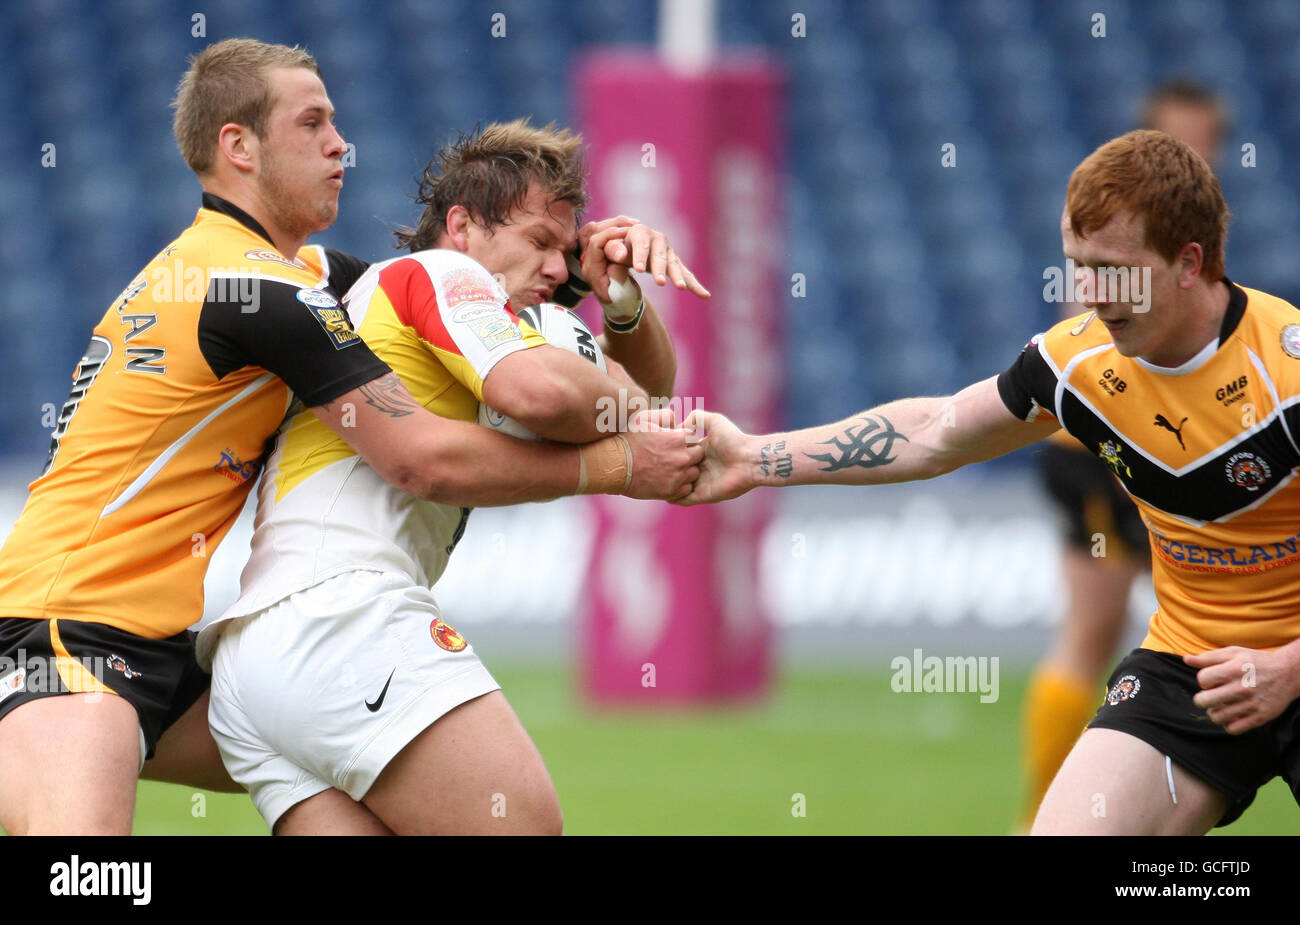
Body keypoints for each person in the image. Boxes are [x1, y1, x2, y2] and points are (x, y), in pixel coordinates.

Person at [0, 39, 700, 835]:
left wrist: (598, 279)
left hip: (169, 648)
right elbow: (418, 456)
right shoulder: (261, 294)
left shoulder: (266, 273)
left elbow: (443, 287)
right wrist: (618, 465)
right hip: (68, 633)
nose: (341, 144)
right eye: (313, 123)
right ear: (238, 147)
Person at [682, 129, 1300, 835]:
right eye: (1077, 267)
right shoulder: (1076, 366)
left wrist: (1286, 667)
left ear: (1189, 262)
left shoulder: (1287, 374)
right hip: (1192, 665)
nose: (1091, 296)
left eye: (1114, 271)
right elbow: (937, 431)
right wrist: (754, 458)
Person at [197, 119, 705, 835]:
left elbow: (646, 386)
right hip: (339, 619)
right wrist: (632, 433)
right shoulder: (441, 274)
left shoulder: (466, 314)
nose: (562, 271)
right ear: (461, 225)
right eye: (539, 242)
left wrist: (618, 297)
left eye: (568, 251)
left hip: (256, 664)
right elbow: (548, 397)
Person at [1018, 79, 1228, 829]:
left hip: (1152, 449)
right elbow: (1104, 346)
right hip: (1101, 451)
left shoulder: (1180, 233)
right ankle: (1042, 812)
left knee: (1127, 637)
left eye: (1206, 136)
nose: (1197, 147)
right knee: (1092, 632)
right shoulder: (1127, 228)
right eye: (1182, 133)